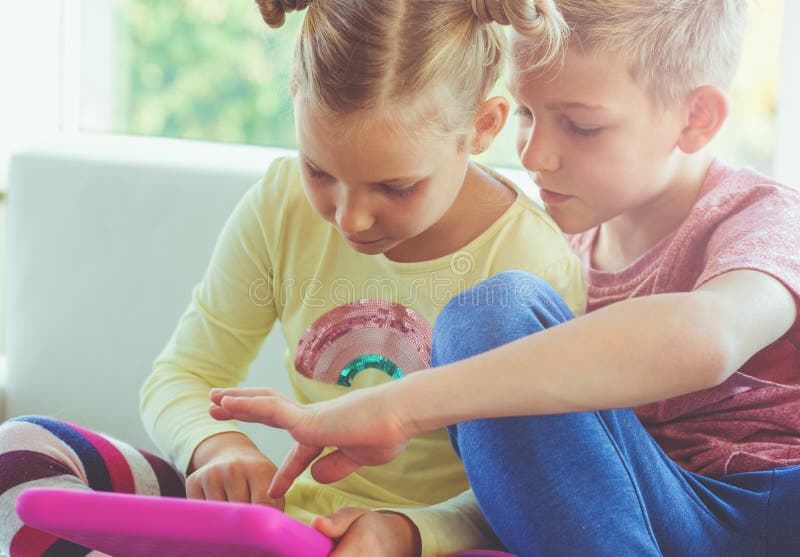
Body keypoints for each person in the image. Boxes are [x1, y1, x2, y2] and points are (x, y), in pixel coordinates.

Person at [212, 1, 800, 555]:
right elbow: (529, 480)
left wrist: (403, 405)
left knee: (491, 314)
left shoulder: (762, 218)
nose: (534, 152)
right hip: (636, 513)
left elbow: (708, 337)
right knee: (499, 327)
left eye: (581, 125)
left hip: (767, 504)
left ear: (697, 118)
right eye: (526, 112)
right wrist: (409, 528)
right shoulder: (558, 251)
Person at [0, 2, 584, 556]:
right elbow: (183, 374)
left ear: (484, 127)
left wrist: (407, 532)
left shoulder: (528, 266)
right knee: (21, 449)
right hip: (279, 526)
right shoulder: (279, 204)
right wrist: (217, 446)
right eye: (319, 170)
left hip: (430, 541)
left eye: (395, 187)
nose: (350, 218)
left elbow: (538, 489)